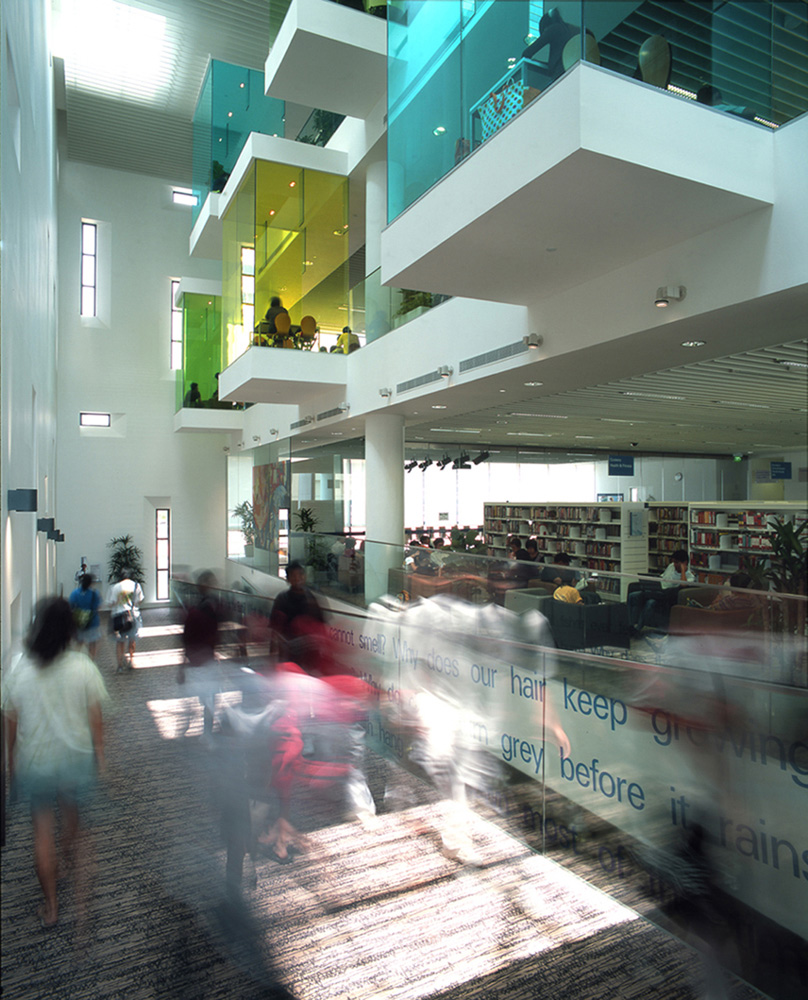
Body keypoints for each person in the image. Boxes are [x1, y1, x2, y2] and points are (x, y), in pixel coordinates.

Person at [2, 597, 108, 928]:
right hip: (75, 761)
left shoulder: (19, 667)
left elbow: (10, 721)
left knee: (41, 833)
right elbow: (96, 722)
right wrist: (101, 760)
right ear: (69, 630)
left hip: (35, 763)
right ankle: (66, 853)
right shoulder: (83, 667)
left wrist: (11, 761)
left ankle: (51, 907)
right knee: (71, 821)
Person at [629, 548, 695, 633]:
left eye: (677, 562)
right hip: (656, 590)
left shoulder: (689, 576)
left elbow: (683, 585)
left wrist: (683, 570)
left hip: (664, 597)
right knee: (633, 595)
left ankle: (638, 628)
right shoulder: (671, 566)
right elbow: (662, 576)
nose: (674, 565)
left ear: (684, 563)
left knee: (650, 603)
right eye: (673, 562)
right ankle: (630, 625)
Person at [521, 8, 580, 83]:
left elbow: (527, 53)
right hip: (572, 72)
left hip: (560, 76)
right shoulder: (570, 30)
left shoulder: (555, 28)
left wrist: (529, 63)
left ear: (545, 27)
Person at [106, 568, 144, 672]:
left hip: (118, 616)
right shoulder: (136, 585)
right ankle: (131, 660)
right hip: (133, 616)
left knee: (120, 641)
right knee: (132, 639)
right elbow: (139, 601)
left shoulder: (115, 587)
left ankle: (119, 665)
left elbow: (110, 603)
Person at [69, 573, 103, 661]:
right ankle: (91, 660)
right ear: (91, 583)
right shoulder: (95, 593)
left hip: (79, 622)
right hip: (92, 621)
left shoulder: (75, 593)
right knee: (93, 643)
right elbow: (98, 606)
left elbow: (71, 606)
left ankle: (78, 660)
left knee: (79, 642)